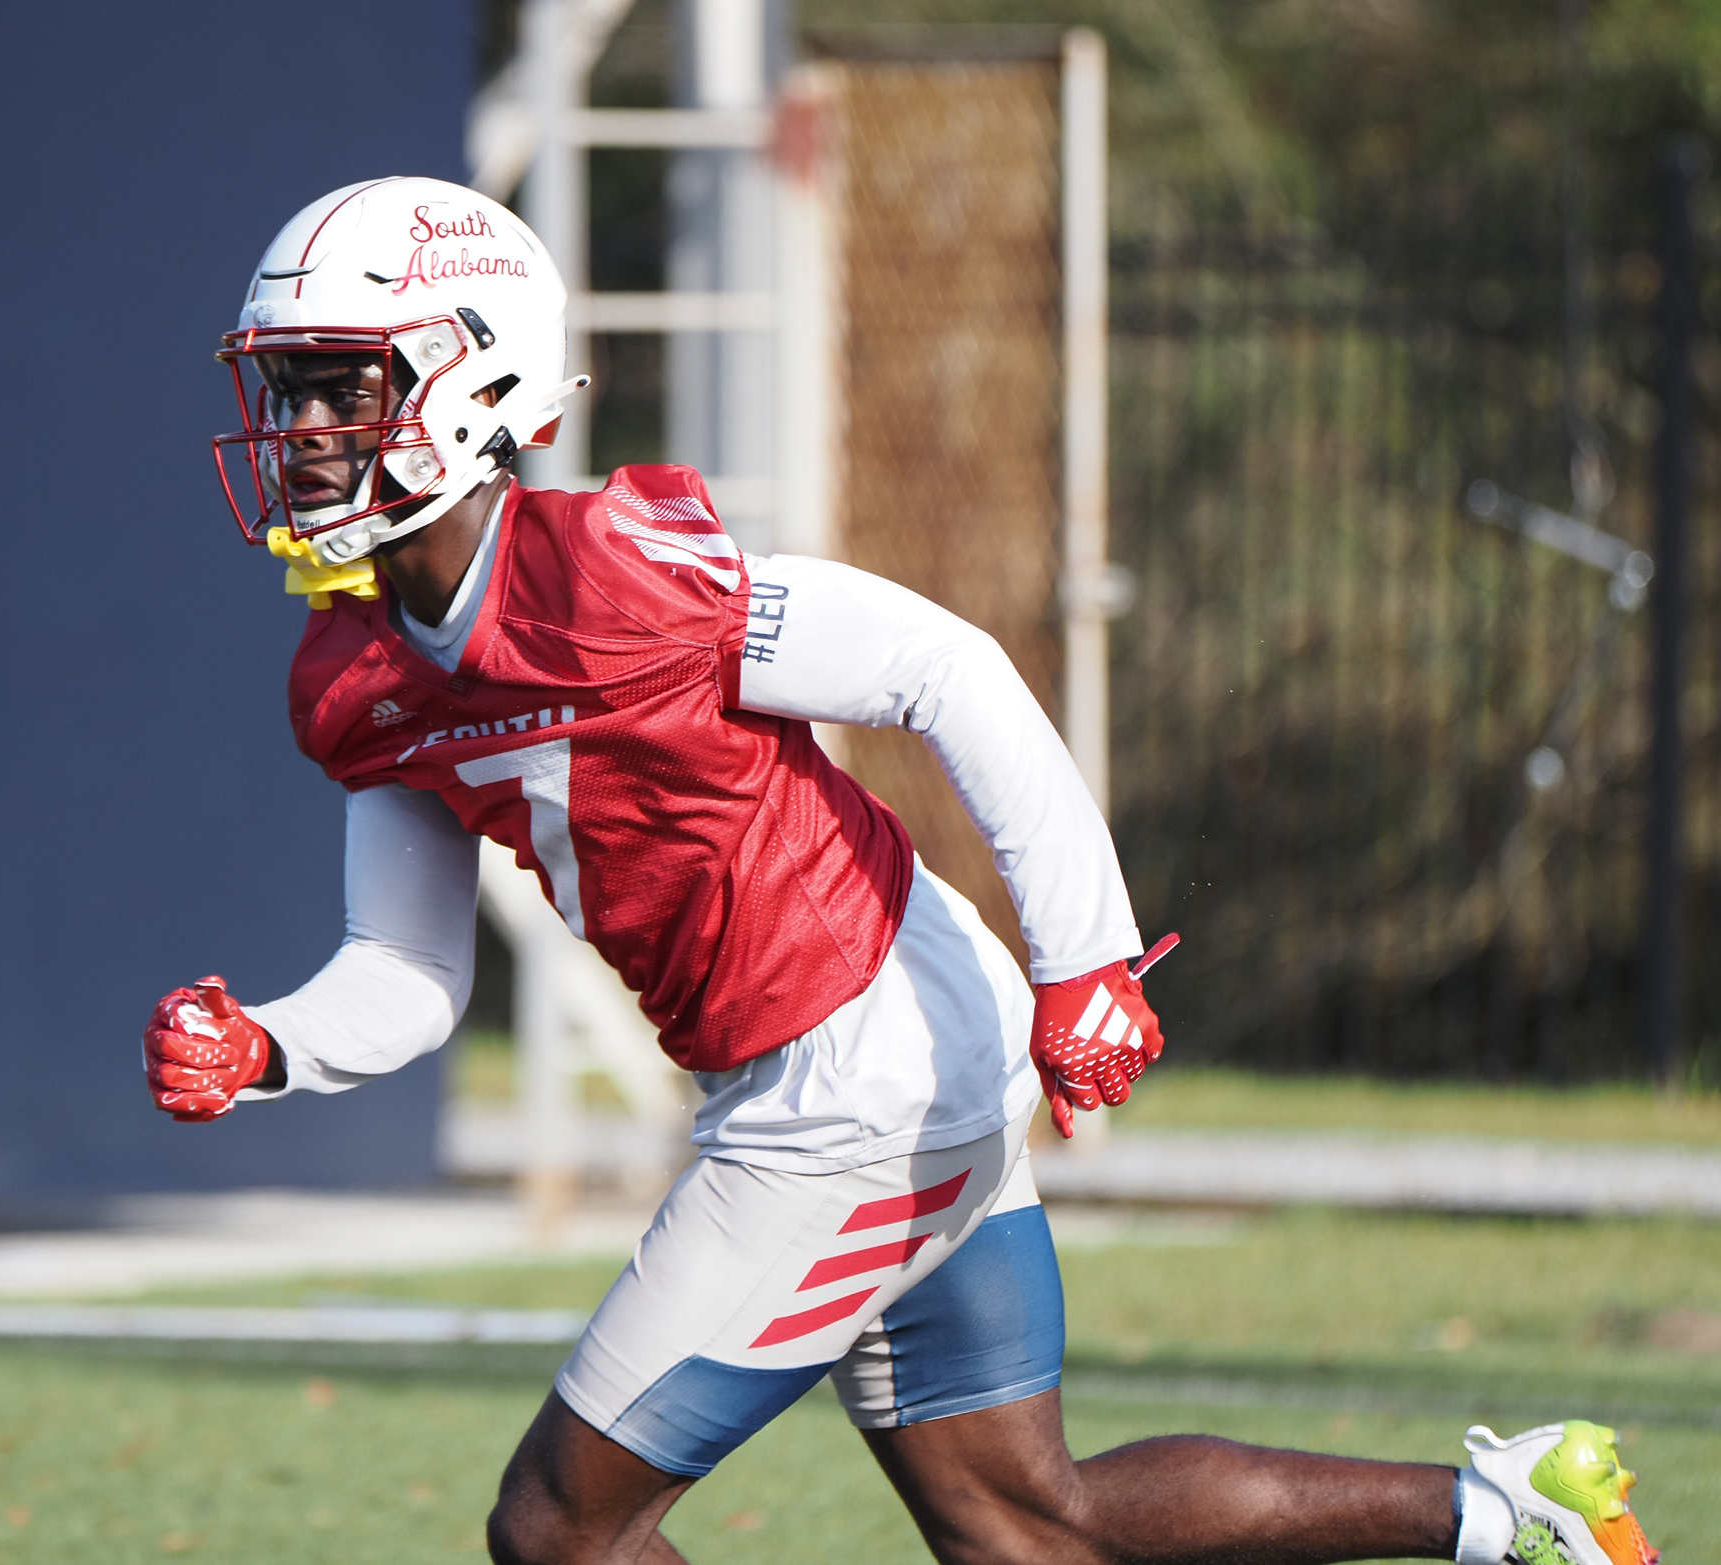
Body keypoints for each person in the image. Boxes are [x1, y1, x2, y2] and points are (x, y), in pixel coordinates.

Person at [142, 176, 1656, 1565]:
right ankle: (1507, 1513)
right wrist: (268, 1044)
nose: (305, 428)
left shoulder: (613, 571)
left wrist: (1090, 958)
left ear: (478, 382)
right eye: (289, 388)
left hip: (853, 1077)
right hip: (867, 1050)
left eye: (346, 385)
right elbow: (407, 974)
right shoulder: (357, 675)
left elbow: (946, 666)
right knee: (1025, 1523)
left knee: (559, 1531)